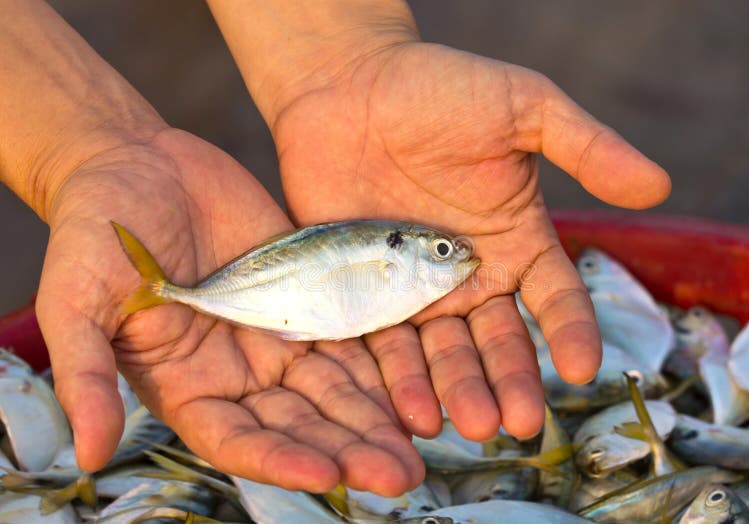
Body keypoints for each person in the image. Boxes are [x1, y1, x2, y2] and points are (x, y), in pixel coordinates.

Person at [0, 0, 670, 496]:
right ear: (403, 249)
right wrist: (79, 149)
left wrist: (342, 57)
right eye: (441, 251)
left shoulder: (409, 256)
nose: (454, 257)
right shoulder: (396, 254)